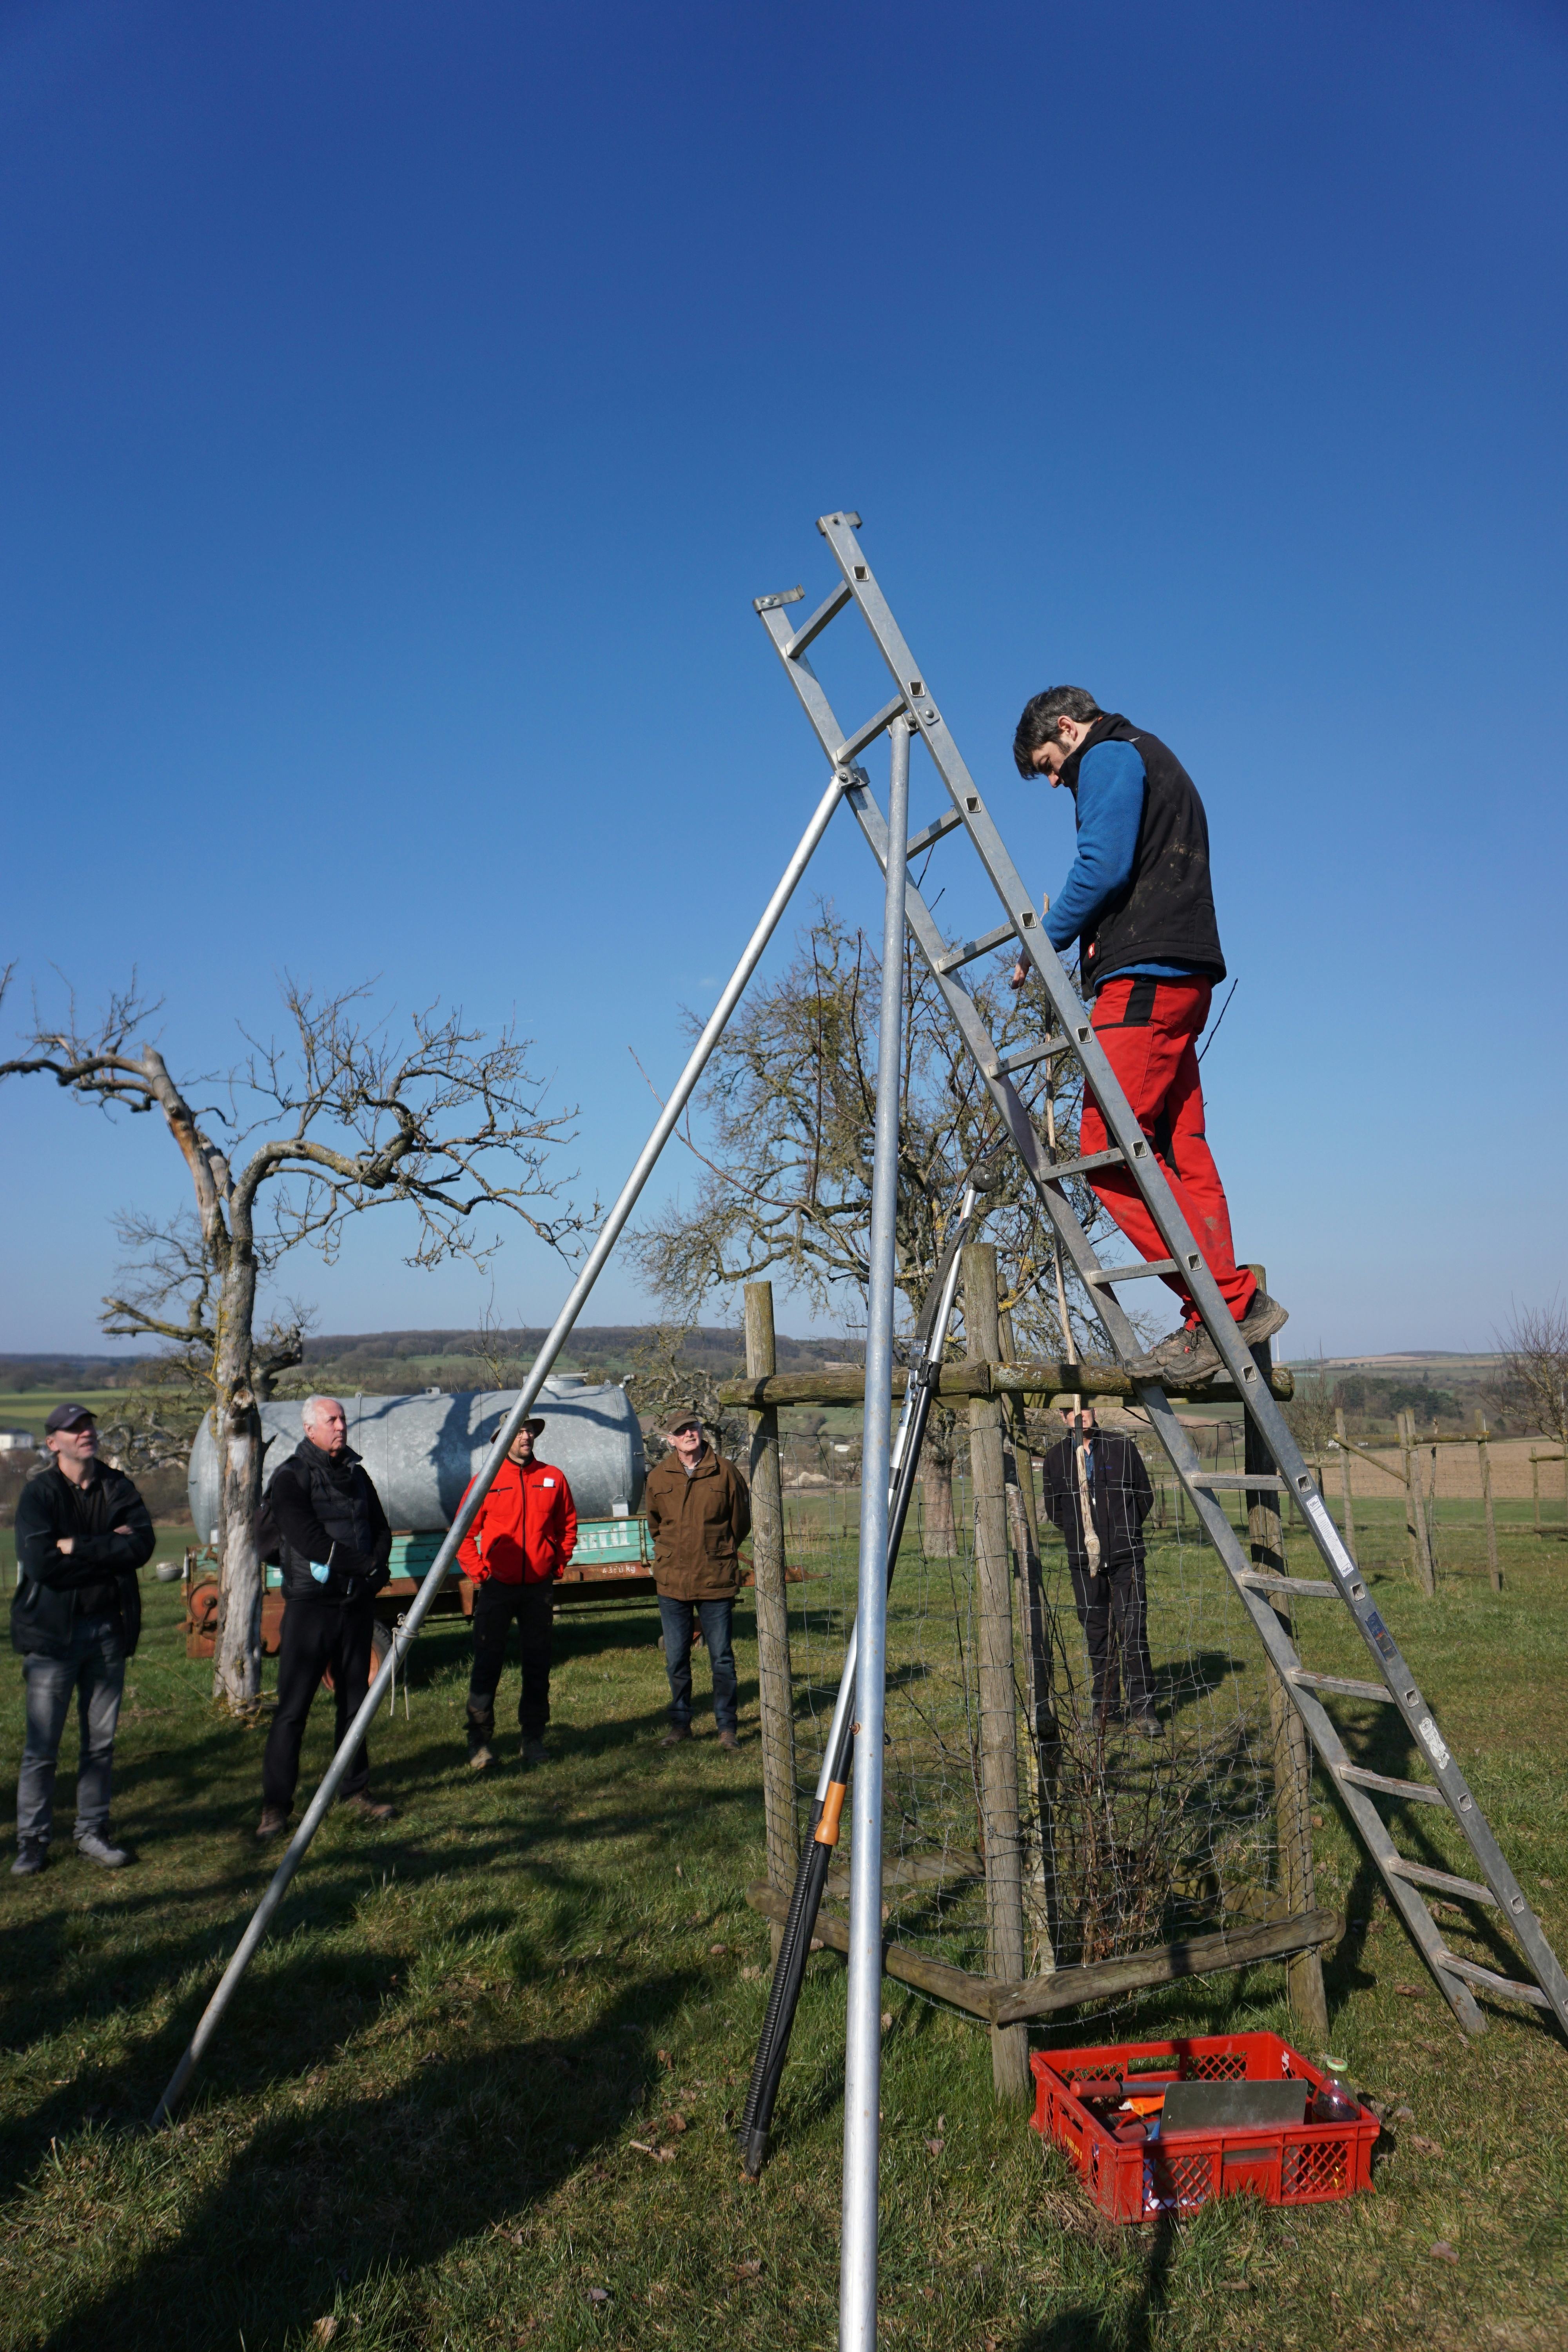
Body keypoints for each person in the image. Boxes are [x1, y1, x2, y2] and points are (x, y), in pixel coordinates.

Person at [1010, 686, 1287, 1383]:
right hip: (1185, 976)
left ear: (1068, 730)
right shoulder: (1150, 754)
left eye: (1049, 763)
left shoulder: (1106, 757)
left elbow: (1101, 867)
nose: (1053, 780)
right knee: (1178, 1148)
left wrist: (1041, 945)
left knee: (1105, 1152)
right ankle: (1221, 1309)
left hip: (1143, 979)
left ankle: (1226, 1305)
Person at [11, 1403, 155, 1874]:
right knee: (42, 1747)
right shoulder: (39, 1494)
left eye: (88, 1426)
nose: (86, 1434)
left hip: (108, 1630)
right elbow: (41, 1564)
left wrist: (78, 1544)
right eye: (74, 1430)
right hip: (53, 1636)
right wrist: (108, 1549)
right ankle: (33, 1841)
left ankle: (92, 1832)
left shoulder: (118, 1486)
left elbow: (141, 1547)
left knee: (100, 1744)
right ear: (53, 1442)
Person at [257, 1396, 395, 1839]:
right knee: (293, 1711)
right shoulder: (290, 1478)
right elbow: (309, 1540)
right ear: (310, 1429)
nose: (341, 1426)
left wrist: (374, 1568)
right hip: (310, 1609)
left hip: (354, 1607)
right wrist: (363, 1565)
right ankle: (275, 1809)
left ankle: (355, 1792)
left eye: (342, 1419)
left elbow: (381, 1528)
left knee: (355, 1706)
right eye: (331, 1420)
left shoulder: (356, 1475)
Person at [455, 1412, 577, 1768]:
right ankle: (479, 1743)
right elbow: (463, 1533)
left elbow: (568, 1525)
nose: (526, 1436)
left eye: (529, 1430)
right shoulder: (486, 1481)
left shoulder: (552, 1478)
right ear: (503, 1439)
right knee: (487, 1662)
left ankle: (533, 1739)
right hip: (498, 1588)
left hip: (538, 1588)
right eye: (518, 1431)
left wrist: (557, 1563)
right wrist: (481, 1573)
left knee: (537, 1663)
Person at [1038, 1405, 1161, 1735]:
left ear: (1094, 1409)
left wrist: (1123, 1531)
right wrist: (1084, 1539)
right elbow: (1056, 1510)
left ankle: (1144, 1709)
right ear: (1061, 1416)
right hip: (1084, 1562)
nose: (1079, 1415)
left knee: (1132, 1631)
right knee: (1098, 1634)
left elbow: (1144, 1496)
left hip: (1126, 1556)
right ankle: (1106, 1710)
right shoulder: (1055, 1459)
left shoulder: (1121, 1447)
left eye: (1084, 1407)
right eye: (1069, 1410)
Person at [643, 1408, 750, 1751]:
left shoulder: (726, 1474)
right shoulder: (659, 1477)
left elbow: (740, 1523)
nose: (689, 1434)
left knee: (721, 1657)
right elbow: (656, 1525)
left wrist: (717, 1551)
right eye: (681, 1431)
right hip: (672, 1580)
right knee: (676, 1657)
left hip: (714, 1577)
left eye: (693, 1428)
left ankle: (727, 1728)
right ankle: (680, 1725)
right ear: (670, 1440)